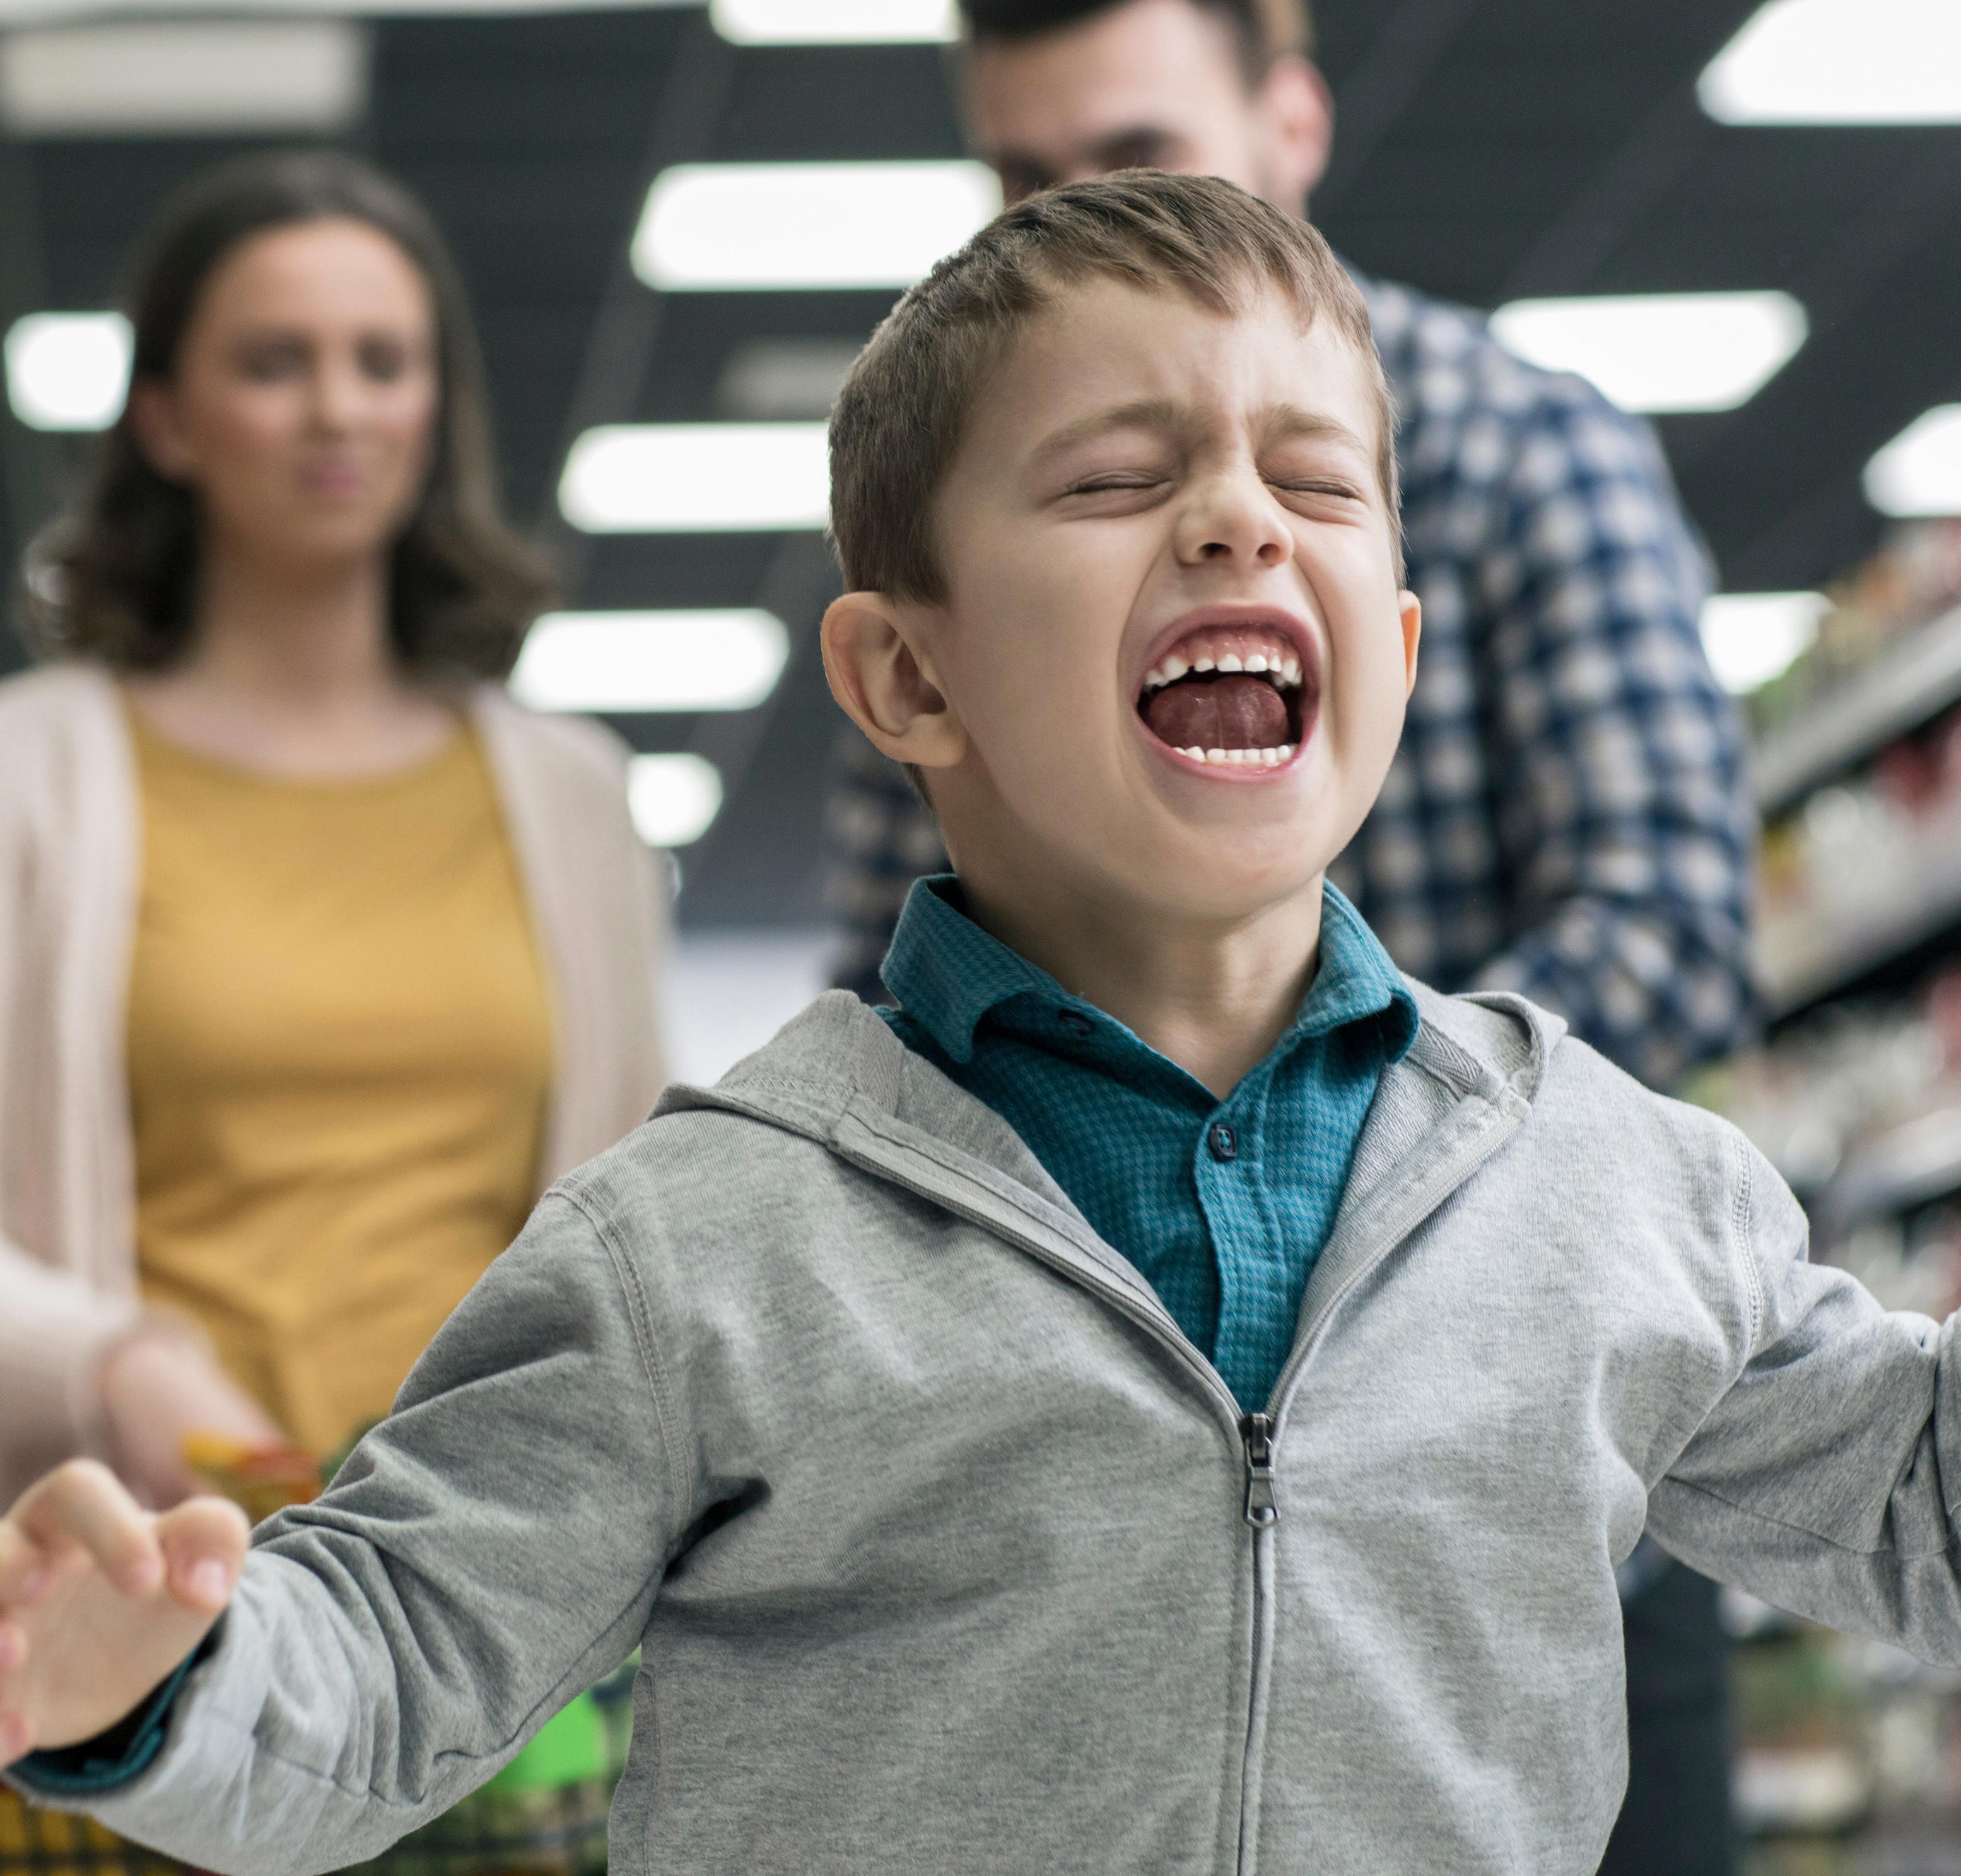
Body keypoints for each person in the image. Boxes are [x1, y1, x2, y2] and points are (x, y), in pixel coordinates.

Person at [0, 176, 1961, 1876]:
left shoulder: (1608, 1183)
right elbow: (382, 1663)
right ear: (906, 678)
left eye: (1309, 477)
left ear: (1386, 636)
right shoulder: (703, 1243)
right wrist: (156, 1684)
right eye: (1113, 478)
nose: (1230, 520)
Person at [813, 4, 1760, 1861]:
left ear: (1295, 121)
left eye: (1141, 152)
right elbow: (893, 979)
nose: (1076, 209)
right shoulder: (955, 523)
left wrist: (1325, 1132)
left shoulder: (1515, 446)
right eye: (1024, 173)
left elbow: (1667, 912)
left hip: (1532, 1499)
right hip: (1092, 1526)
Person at [0, 151, 666, 1515]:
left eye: (383, 360)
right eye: (273, 363)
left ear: (433, 409)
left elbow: (651, 1208)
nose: (338, 407)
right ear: (168, 423)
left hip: (517, 1596)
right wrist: (115, 1367)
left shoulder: (574, 792)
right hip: (155, 1584)